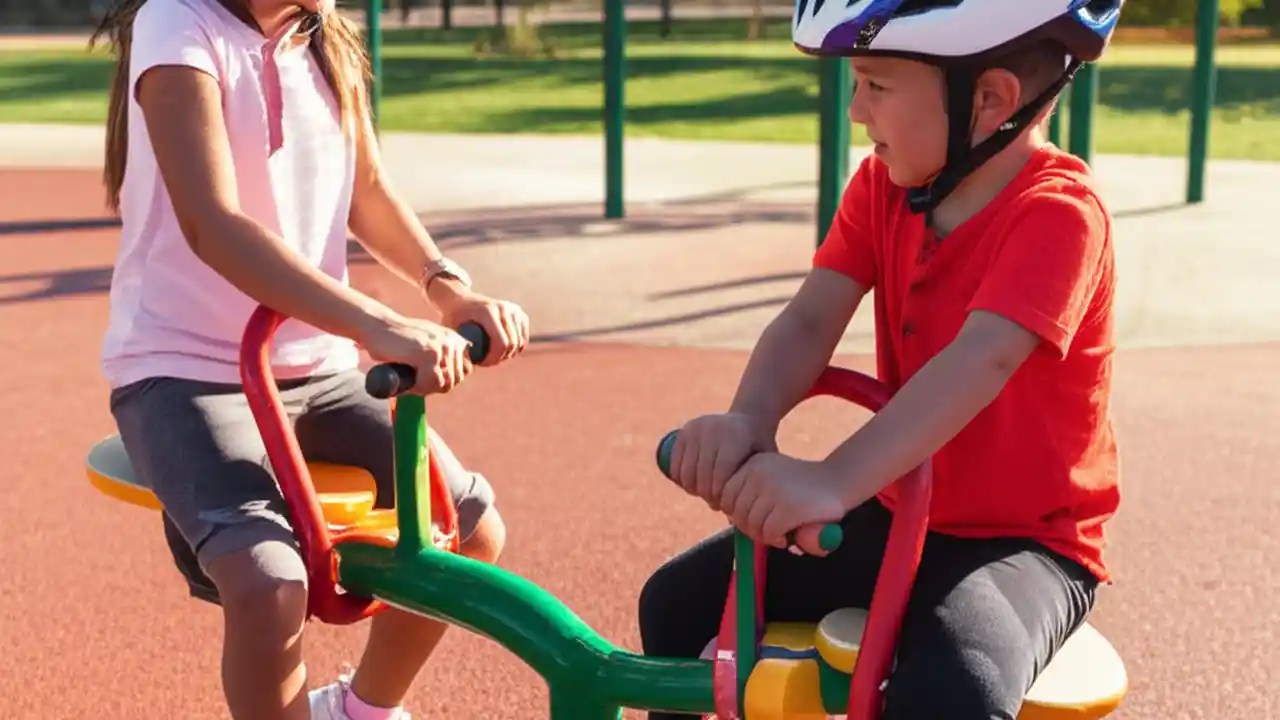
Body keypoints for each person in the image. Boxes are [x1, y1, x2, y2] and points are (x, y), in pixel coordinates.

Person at [638, 1, 1126, 718]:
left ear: (989, 99)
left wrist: (834, 478)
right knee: (680, 605)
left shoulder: (1057, 215)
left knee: (955, 686)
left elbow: (981, 361)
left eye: (877, 85)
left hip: (1024, 543)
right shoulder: (883, 187)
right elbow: (810, 318)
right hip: (901, 511)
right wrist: (749, 419)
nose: (857, 111)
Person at [90, 1, 530, 719]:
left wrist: (450, 292)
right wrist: (385, 325)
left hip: (318, 371)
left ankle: (359, 711)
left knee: (467, 532)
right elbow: (213, 223)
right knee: (270, 586)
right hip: (184, 371)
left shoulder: (323, 37)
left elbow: (370, 191)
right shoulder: (179, 23)